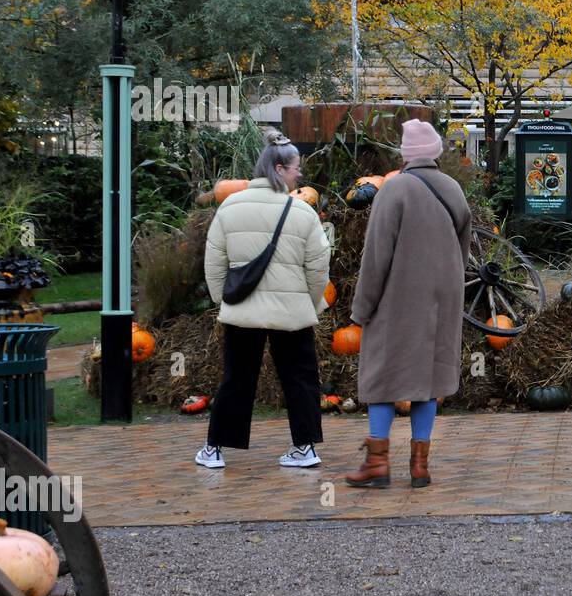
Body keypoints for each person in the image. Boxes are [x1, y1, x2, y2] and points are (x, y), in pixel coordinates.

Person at [345, 119, 472, 489]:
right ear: (435, 153)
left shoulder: (394, 189)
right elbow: (462, 253)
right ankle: (420, 466)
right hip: (442, 299)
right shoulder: (453, 190)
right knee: (428, 380)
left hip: (397, 299)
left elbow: (376, 256)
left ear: (405, 154)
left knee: (381, 376)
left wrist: (362, 307)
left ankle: (377, 464)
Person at [198, 130, 332, 469]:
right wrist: (310, 302)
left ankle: (215, 449)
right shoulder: (301, 212)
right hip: (293, 314)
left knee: (236, 378)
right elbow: (319, 266)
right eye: (295, 168)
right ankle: (305, 448)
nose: (300, 174)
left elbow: (214, 261)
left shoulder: (230, 206)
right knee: (300, 378)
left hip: (243, 310)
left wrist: (223, 301)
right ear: (278, 168)